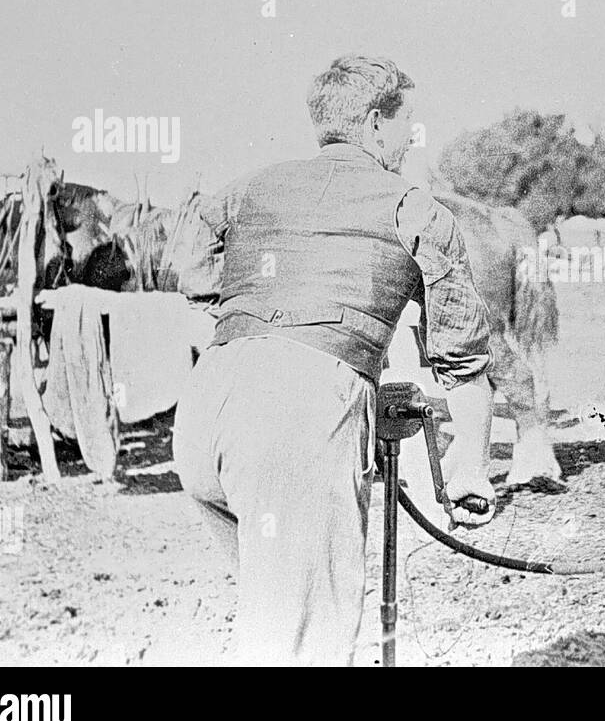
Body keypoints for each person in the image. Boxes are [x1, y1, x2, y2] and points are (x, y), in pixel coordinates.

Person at [173, 54, 495, 665]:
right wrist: (470, 471)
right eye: (407, 124)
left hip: (208, 406)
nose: (410, 138)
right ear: (376, 124)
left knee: (270, 621)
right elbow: (463, 353)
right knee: (304, 644)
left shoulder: (255, 184)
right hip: (297, 417)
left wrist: (255, 306)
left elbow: (189, 257)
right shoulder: (414, 206)